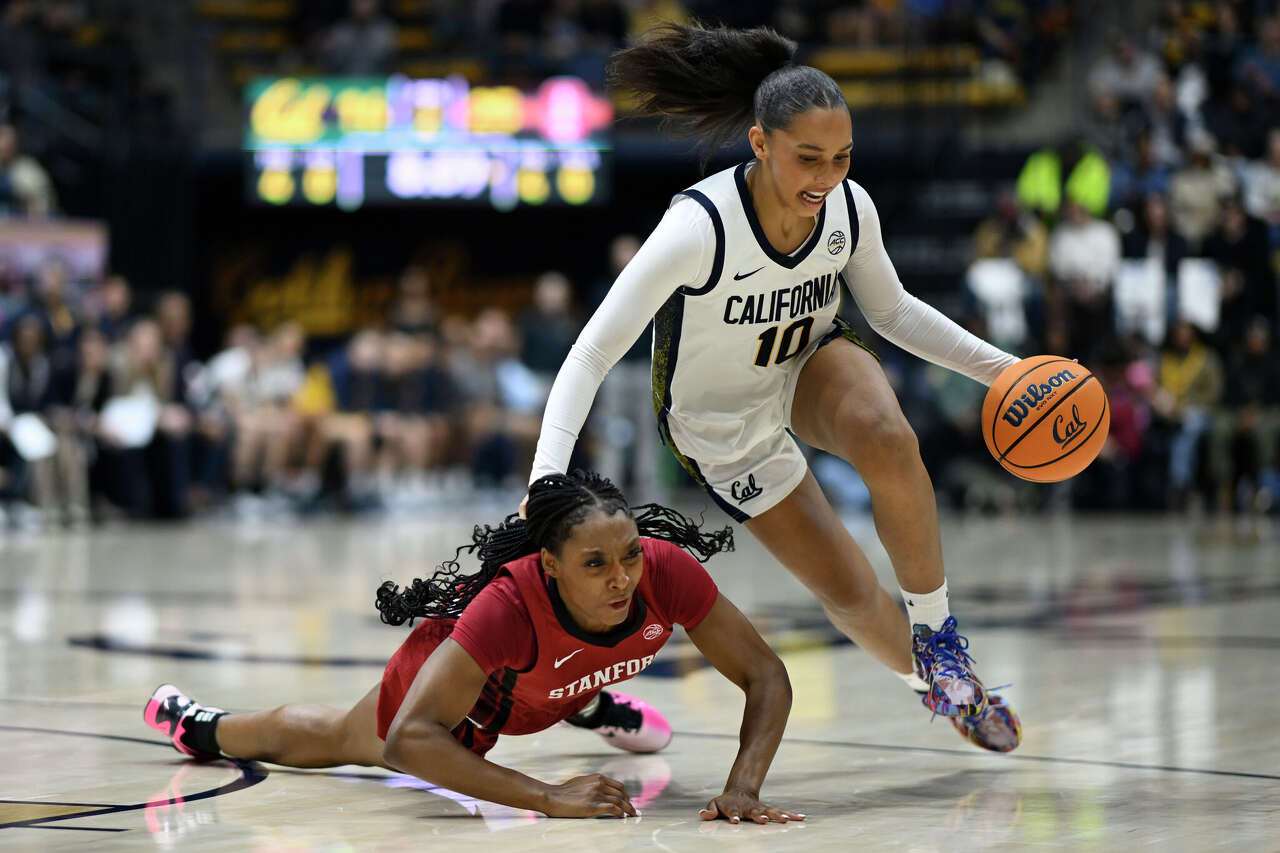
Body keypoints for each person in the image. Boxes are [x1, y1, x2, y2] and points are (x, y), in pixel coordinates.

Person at [524, 23, 1022, 753]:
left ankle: (941, 637)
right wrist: (544, 478)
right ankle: (940, 690)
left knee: (888, 435)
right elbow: (594, 349)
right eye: (808, 158)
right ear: (760, 145)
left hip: (805, 363)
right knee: (851, 592)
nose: (827, 176)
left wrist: (1006, 370)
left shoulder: (849, 210)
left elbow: (892, 312)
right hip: (719, 421)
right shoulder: (698, 228)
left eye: (842, 157)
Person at [145, 472, 802, 823]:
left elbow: (767, 674)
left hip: (548, 676)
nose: (623, 576)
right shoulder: (507, 609)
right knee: (345, 737)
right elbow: (409, 740)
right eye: (596, 563)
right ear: (549, 565)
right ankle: (202, 724)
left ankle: (584, 699)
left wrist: (743, 787)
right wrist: (547, 796)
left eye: (629, 553)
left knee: (567, 667)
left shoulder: (663, 571)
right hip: (485, 691)